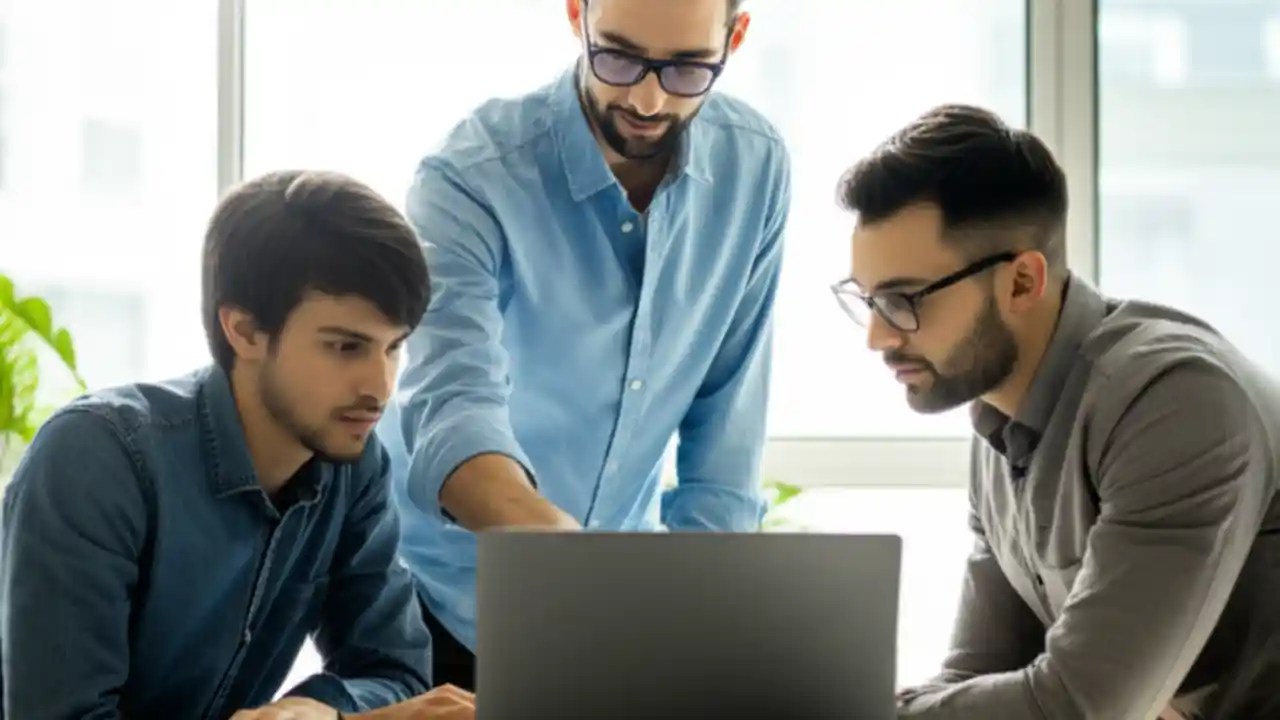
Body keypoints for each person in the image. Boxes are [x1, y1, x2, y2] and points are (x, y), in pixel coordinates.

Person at [379, 0, 790, 689]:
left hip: (607, 614)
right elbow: (453, 412)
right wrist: (580, 572)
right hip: (437, 602)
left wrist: (699, 626)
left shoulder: (756, 168)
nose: (649, 98)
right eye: (618, 57)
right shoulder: (471, 175)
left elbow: (725, 437)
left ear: (735, 38)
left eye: (689, 68)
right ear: (577, 15)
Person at [831, 104, 1280, 719]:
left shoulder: (1176, 402)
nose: (878, 338)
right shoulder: (997, 421)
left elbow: (1081, 706)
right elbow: (980, 673)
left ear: (1021, 282)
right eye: (869, 301)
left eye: (905, 301)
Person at [0, 170, 475, 720]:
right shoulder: (97, 458)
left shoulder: (354, 466)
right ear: (244, 331)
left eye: (393, 349)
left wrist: (318, 712)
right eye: (347, 347)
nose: (379, 387)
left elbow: (396, 671)